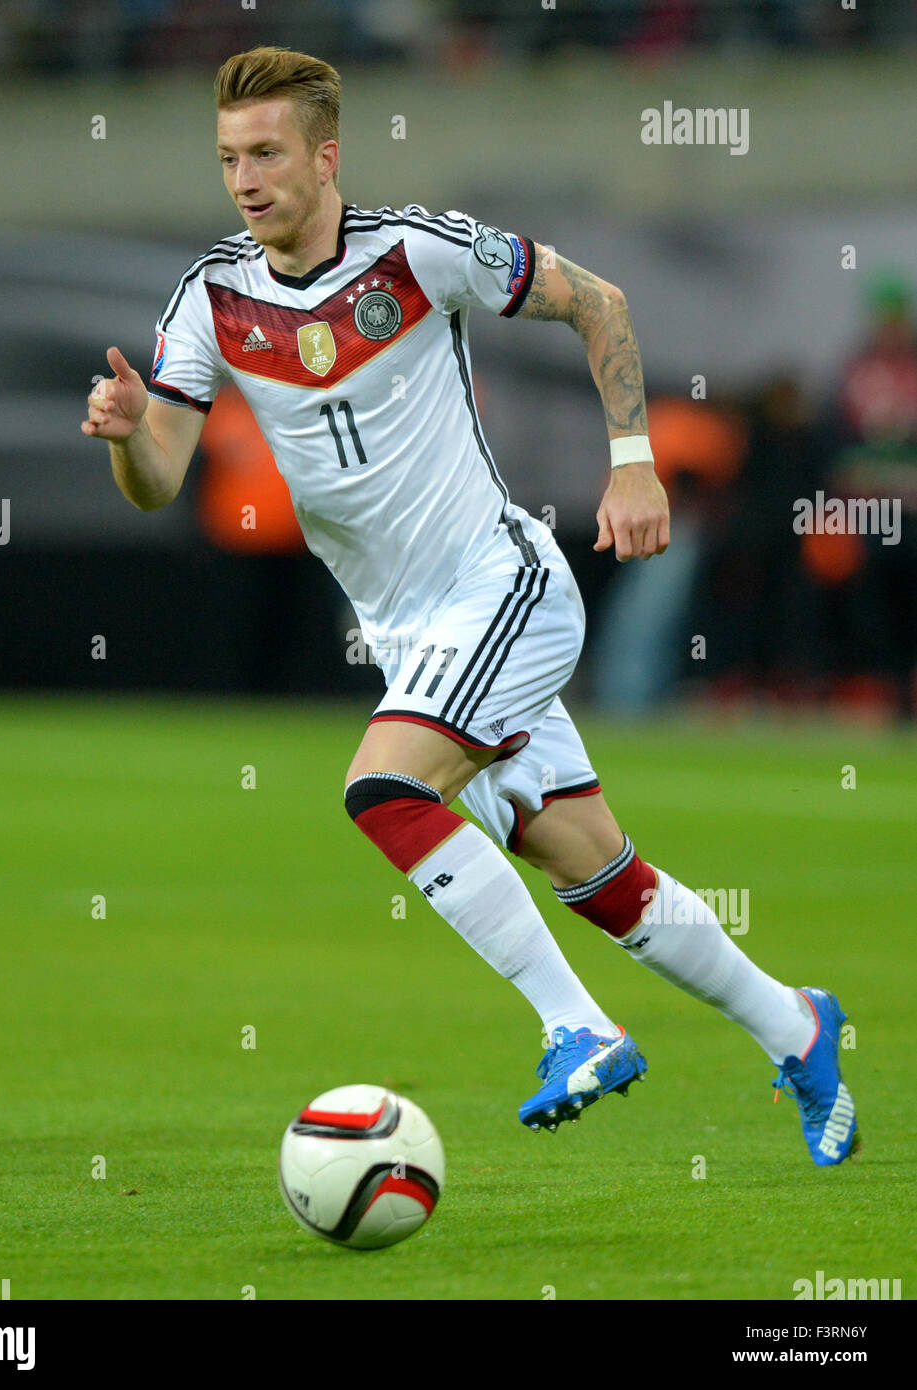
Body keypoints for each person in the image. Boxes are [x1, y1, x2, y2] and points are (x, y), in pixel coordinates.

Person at [81, 46, 858, 1165]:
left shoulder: (415, 251)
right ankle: (795, 1024)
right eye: (226, 158)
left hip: (502, 588)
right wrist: (124, 436)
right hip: (414, 639)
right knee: (595, 868)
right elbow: (160, 477)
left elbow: (599, 301)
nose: (243, 179)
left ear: (324, 154)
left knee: (385, 789)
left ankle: (576, 1024)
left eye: (264, 153)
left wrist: (632, 461)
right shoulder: (212, 294)